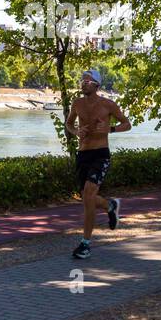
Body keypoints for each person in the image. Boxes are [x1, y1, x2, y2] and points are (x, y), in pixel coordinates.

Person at [65, 68, 131, 259]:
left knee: (88, 195)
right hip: (83, 154)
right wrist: (77, 132)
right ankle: (110, 206)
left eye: (87, 80)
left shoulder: (108, 104)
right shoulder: (76, 103)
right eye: (82, 80)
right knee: (87, 198)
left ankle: (85, 245)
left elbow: (127, 124)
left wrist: (110, 128)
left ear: (96, 84)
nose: (83, 83)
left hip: (101, 154)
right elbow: (69, 124)